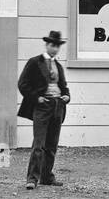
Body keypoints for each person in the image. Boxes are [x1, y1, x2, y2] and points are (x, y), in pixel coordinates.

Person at [18, 30, 71, 189]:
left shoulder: (58, 66)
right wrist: (37, 98)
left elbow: (64, 87)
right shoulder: (35, 62)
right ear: (47, 45)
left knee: (52, 145)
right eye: (52, 45)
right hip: (42, 106)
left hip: (57, 106)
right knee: (39, 144)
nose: (55, 49)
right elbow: (23, 84)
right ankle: (32, 179)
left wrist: (67, 97)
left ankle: (47, 177)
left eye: (57, 46)